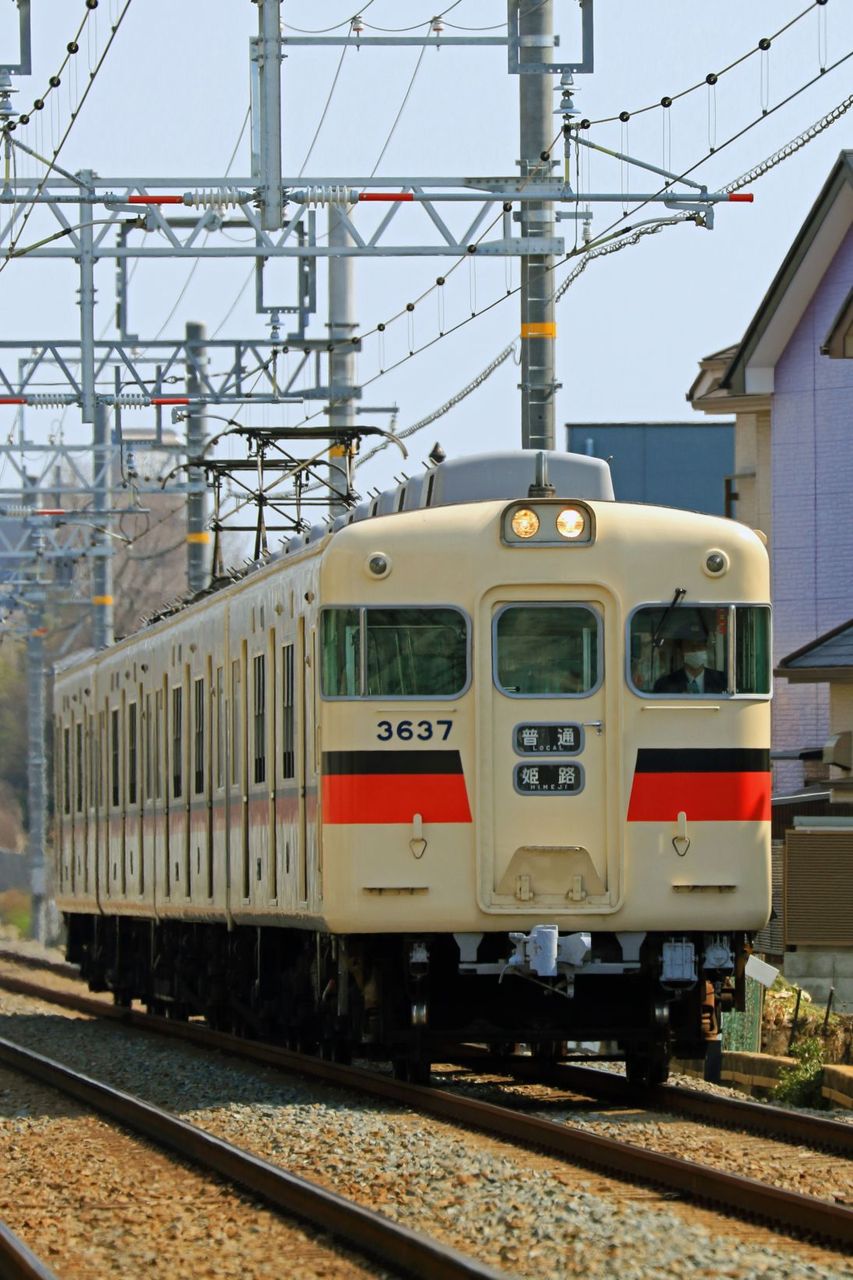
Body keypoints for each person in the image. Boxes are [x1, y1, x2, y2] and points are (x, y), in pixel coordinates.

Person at [653, 637, 726, 694]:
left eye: (699, 645)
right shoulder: (664, 685)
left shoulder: (723, 681)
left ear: (706, 649)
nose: (695, 650)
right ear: (681, 651)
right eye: (690, 646)